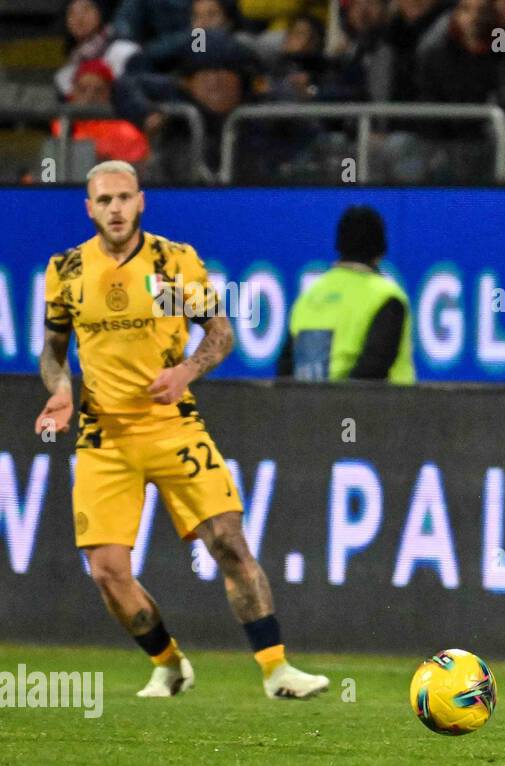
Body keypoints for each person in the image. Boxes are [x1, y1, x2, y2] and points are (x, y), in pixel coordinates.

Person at [35, 160, 329, 700]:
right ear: (89, 208)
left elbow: (218, 333)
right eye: (105, 201)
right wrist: (59, 390)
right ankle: (170, 664)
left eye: (124, 198)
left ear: (141, 201)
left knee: (227, 539)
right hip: (104, 436)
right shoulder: (69, 272)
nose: (116, 209)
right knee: (107, 570)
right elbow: (54, 353)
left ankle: (276, 669)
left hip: (172, 425)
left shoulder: (170, 267)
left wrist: (186, 371)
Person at [279, 206, 414, 382]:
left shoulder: (308, 296)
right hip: (374, 408)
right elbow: (374, 369)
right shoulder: (387, 297)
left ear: (339, 246)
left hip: (305, 406)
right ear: (381, 249)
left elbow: (285, 369)